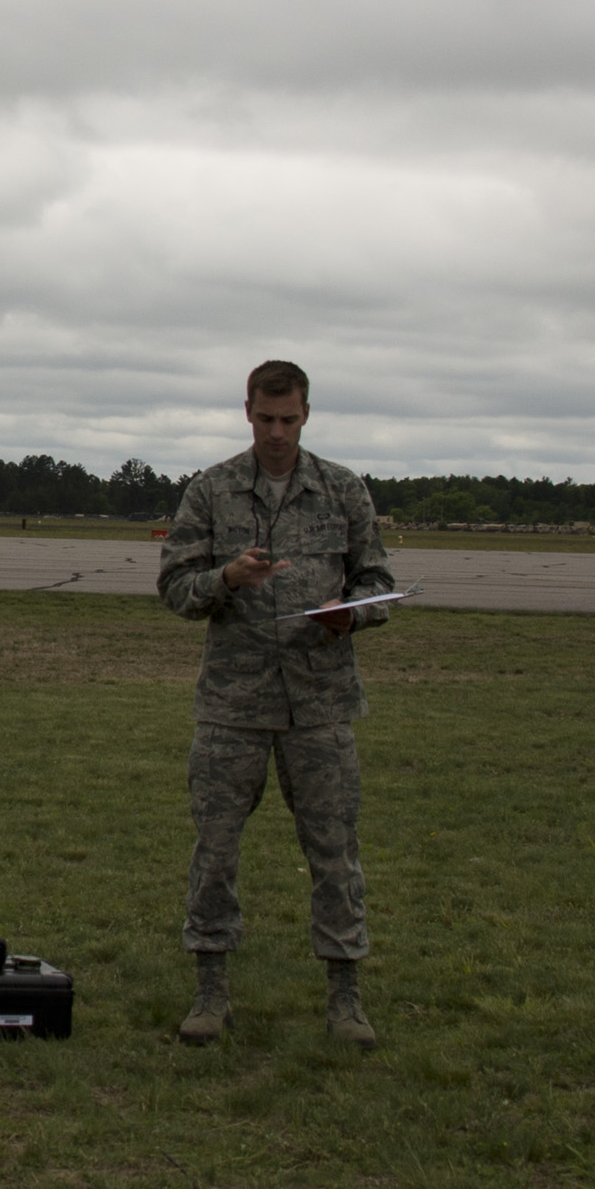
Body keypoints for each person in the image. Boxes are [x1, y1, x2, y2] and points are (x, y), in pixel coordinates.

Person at [157, 360, 395, 1049]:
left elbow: (378, 579)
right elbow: (174, 588)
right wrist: (226, 578)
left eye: (289, 419)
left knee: (334, 851)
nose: (277, 433)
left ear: (307, 415)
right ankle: (210, 991)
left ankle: (346, 998)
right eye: (265, 419)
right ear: (247, 411)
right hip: (234, 704)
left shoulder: (342, 490)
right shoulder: (211, 489)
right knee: (216, 850)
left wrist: (352, 614)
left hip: (321, 704)